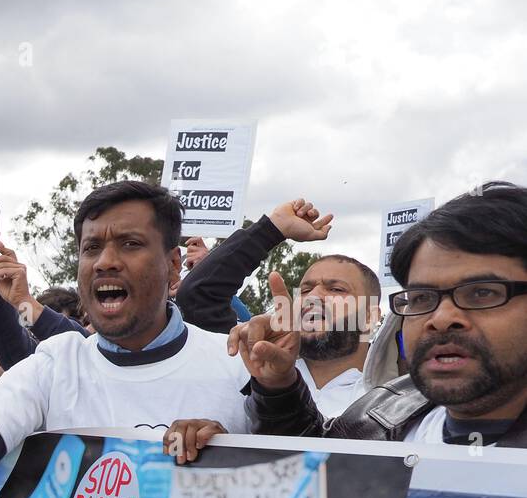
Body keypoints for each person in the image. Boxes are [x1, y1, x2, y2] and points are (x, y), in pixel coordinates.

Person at [0, 180, 252, 492]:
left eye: (130, 244)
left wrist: (232, 457)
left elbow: (300, 473)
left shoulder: (238, 363)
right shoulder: (55, 364)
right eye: (91, 248)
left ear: (174, 264)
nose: (105, 262)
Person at [168, 182, 527, 451]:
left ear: (372, 318)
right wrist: (275, 386)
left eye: (482, 293)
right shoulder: (378, 417)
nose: (442, 317)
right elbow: (310, 459)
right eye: (422, 297)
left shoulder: (370, 393)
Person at [174, 198, 379, 416]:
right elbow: (198, 296)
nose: (315, 297)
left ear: (369, 316)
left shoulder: (398, 398)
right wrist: (273, 228)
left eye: (336, 290)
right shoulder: (252, 367)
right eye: (306, 290)